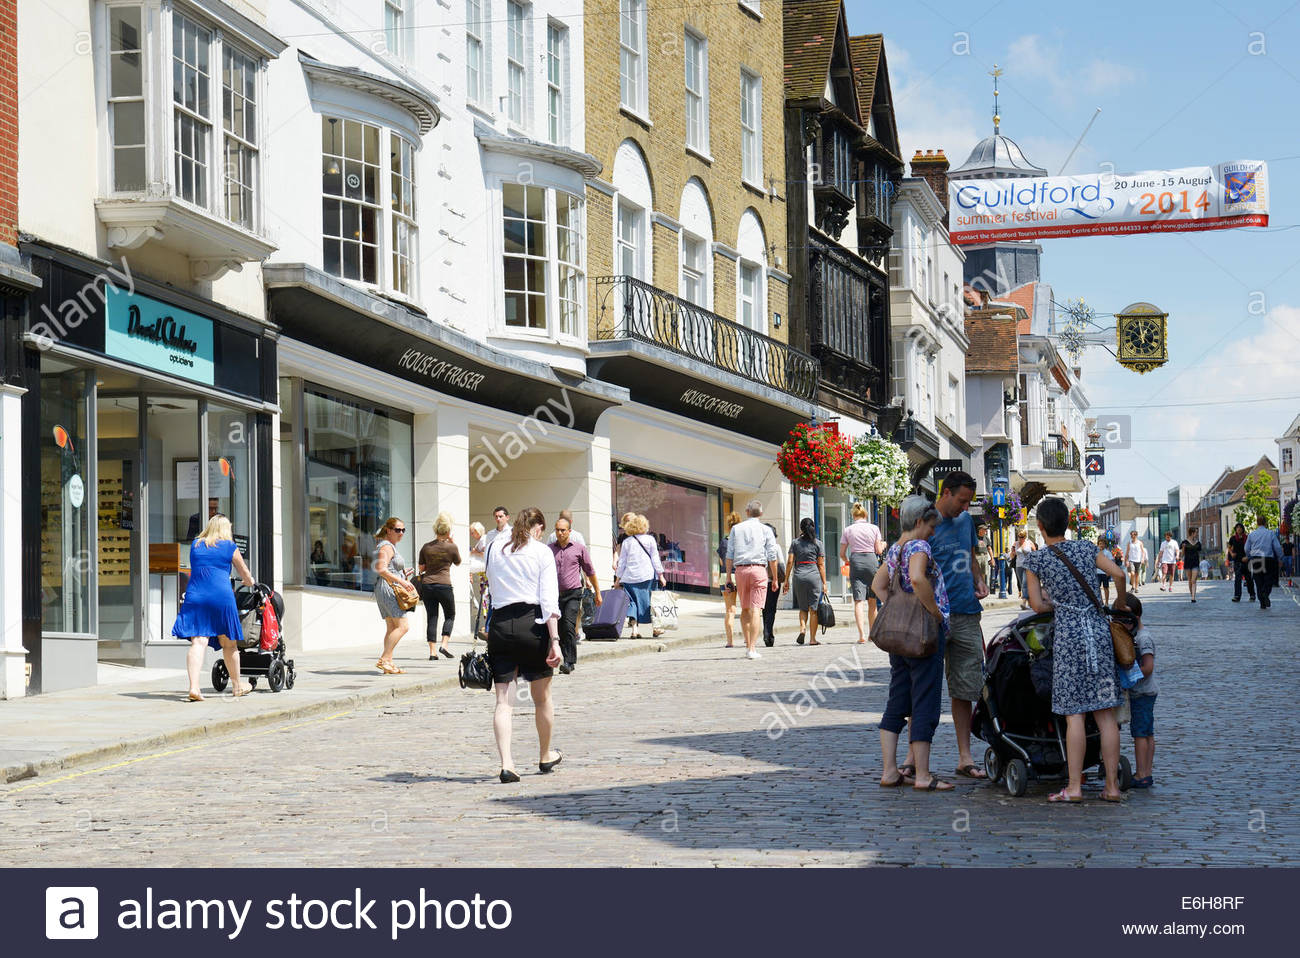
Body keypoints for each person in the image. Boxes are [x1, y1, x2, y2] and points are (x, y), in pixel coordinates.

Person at [1020, 497, 1126, 803]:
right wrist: (1118, 603)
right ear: (1068, 522)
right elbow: (1119, 575)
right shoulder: (1086, 548)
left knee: (1074, 714)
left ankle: (1075, 787)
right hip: (1098, 634)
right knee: (1105, 714)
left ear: (1040, 526)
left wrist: (1056, 603)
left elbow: (1037, 605)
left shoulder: (1036, 560)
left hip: (1069, 637)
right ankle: (1112, 787)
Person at [872, 495, 952, 792]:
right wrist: (933, 614)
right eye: (931, 526)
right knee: (924, 702)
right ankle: (923, 775)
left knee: (897, 700)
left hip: (899, 638)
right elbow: (918, 580)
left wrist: (897, 609)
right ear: (919, 521)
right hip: (923, 636)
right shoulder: (919, 546)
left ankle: (890, 771)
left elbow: (878, 585)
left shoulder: (895, 549)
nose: (933, 532)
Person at [483, 507, 563, 783]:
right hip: (533, 624)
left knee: (504, 702)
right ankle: (545, 755)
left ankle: (507, 764)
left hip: (501, 624)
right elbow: (549, 601)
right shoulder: (542, 552)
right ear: (538, 527)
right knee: (542, 698)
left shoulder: (493, 547)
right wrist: (555, 641)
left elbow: (491, 586)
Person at [919, 471, 989, 781]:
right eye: (961, 501)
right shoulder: (924, 523)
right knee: (923, 688)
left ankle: (965, 757)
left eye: (968, 502)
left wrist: (979, 578)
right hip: (931, 616)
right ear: (945, 493)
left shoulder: (964, 522)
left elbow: (970, 555)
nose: (965, 507)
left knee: (966, 688)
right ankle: (915, 759)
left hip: (965, 612)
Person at [173, 514, 256, 700]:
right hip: (221, 598)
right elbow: (245, 573)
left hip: (196, 596)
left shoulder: (195, 545)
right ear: (226, 529)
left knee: (199, 641)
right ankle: (236, 687)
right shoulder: (229, 547)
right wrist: (249, 581)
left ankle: (194, 688)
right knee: (229, 644)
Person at [724, 499, 780, 660]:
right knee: (756, 609)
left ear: (747, 512)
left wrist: (728, 576)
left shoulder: (736, 529)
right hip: (758, 569)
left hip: (741, 570)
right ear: (761, 513)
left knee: (745, 608)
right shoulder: (766, 530)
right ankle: (752, 648)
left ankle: (748, 644)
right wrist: (774, 578)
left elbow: (729, 554)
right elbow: (772, 556)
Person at [549, 514, 600, 674]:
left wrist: (598, 593)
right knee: (558, 628)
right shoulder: (549, 549)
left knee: (568, 626)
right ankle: (557, 657)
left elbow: (590, 571)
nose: (560, 533)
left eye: (563, 530)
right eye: (557, 530)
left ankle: (569, 662)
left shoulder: (579, 548)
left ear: (569, 531)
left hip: (573, 592)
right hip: (553, 595)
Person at [373, 516, 416, 674]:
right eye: (398, 530)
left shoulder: (388, 546)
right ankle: (384, 659)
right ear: (389, 530)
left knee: (392, 627)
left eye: (403, 530)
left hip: (386, 587)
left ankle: (388, 663)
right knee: (403, 626)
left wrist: (402, 574)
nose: (401, 533)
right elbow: (381, 569)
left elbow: (388, 569)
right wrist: (402, 581)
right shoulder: (386, 547)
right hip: (389, 588)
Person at [1123, 594, 1157, 789]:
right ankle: (1147, 771)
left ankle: (1142, 773)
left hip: (1142, 692)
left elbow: (1148, 667)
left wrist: (1129, 676)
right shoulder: (1138, 636)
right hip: (1146, 691)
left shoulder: (1143, 639)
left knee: (1140, 734)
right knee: (1147, 733)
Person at [416, 512, 461, 661]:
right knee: (450, 615)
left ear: (435, 530)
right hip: (444, 585)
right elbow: (458, 562)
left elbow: (421, 568)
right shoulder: (451, 547)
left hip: (428, 585)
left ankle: (432, 652)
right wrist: (452, 542)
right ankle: (444, 644)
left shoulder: (426, 547)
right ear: (448, 531)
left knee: (432, 617)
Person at [840, 502, 886, 644]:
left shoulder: (848, 530)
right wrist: (883, 545)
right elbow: (878, 550)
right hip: (871, 561)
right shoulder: (874, 528)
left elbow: (841, 553)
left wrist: (847, 561)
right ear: (865, 515)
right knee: (872, 600)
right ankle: (872, 634)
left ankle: (861, 635)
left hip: (856, 561)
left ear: (853, 515)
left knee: (858, 601)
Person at [615, 514, 666, 638]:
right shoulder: (650, 540)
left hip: (629, 578)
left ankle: (634, 630)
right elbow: (655, 559)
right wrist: (661, 575)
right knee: (652, 602)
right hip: (647, 576)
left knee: (632, 603)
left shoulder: (627, 542)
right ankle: (656, 628)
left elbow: (622, 562)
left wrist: (618, 579)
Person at [784, 517, 828, 646]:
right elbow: (821, 565)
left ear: (801, 528)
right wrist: (824, 583)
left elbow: (790, 561)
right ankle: (813, 639)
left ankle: (803, 628)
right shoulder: (818, 543)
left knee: (803, 608)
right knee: (813, 609)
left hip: (799, 577)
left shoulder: (795, 543)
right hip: (814, 577)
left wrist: (786, 580)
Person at [1244, 515, 1284, 610]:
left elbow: (1246, 548)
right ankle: (1266, 593)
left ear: (1257, 523)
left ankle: (1262, 603)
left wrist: (1249, 556)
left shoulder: (1251, 534)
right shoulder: (1270, 533)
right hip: (1268, 559)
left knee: (1258, 581)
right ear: (1265, 523)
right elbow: (1277, 547)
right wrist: (1280, 557)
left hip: (1256, 559)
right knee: (1268, 579)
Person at [718, 512, 742, 648]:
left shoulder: (723, 542)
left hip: (725, 576)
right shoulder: (742, 542)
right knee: (746, 608)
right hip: (740, 574)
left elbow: (722, 561)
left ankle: (730, 641)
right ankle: (748, 638)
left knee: (729, 610)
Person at [761, 521, 786, 647]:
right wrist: (784, 579)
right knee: (771, 609)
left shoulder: (759, 547)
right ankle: (768, 633)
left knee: (763, 609)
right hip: (773, 581)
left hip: (760, 581)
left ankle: (766, 631)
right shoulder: (776, 547)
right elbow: (781, 565)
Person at [467, 521, 488, 637]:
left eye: (472, 532)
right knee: (484, 597)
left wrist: (476, 552)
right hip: (481, 574)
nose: (471, 535)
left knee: (485, 598)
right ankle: (486, 624)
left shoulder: (484, 540)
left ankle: (487, 624)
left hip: (484, 574)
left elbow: (485, 554)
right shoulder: (481, 540)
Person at [1226, 522, 1255, 602]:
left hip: (1246, 560)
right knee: (1237, 579)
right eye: (1237, 528)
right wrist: (1231, 553)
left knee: (1249, 578)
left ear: (1242, 529)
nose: (1238, 529)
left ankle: (1252, 595)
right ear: (1236, 529)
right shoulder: (1233, 538)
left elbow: (1252, 548)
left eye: (1240, 528)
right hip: (1237, 561)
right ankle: (1237, 596)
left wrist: (1248, 557)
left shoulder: (1247, 538)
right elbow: (1229, 547)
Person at [1179, 529, 1203, 602]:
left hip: (1195, 562)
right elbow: (1182, 555)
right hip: (1188, 563)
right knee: (1190, 580)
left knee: (1194, 580)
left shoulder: (1198, 543)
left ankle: (1193, 597)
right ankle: (1191, 594)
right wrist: (1183, 547)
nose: (1197, 534)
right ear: (1192, 533)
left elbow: (1199, 551)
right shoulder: (1184, 542)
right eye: (1196, 533)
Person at [1014, 530, 1036, 610]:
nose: (1020, 539)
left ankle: (1024, 602)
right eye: (1019, 537)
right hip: (1018, 566)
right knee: (1022, 584)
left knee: (1024, 583)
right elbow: (1013, 554)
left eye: (1022, 537)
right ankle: (1030, 602)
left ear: (1025, 537)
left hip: (1028, 566)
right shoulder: (1015, 544)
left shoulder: (1029, 543)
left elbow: (1035, 552)